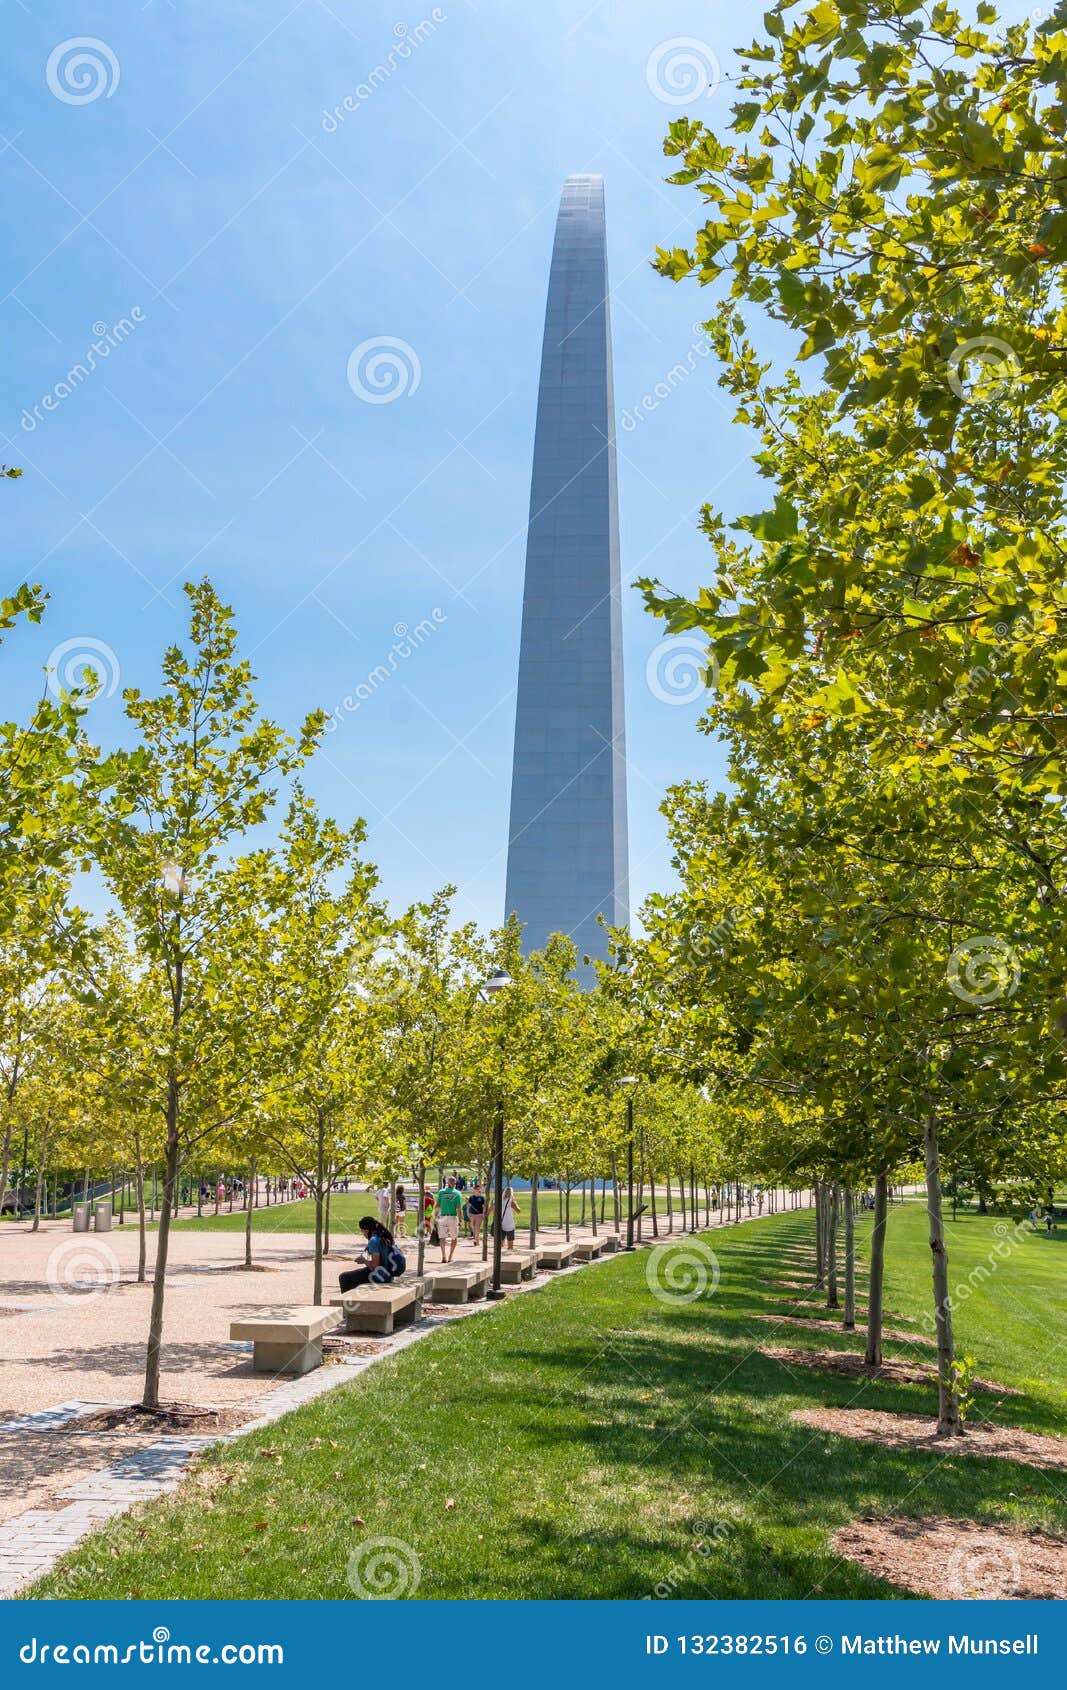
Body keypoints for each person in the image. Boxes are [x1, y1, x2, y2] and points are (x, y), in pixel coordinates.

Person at [339, 1217, 406, 1292]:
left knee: (344, 1277)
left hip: (380, 1276)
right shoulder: (384, 1236)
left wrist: (363, 1261)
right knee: (356, 1276)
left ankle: (345, 1302)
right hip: (389, 1275)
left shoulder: (373, 1240)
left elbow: (375, 1266)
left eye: (362, 1231)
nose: (363, 1234)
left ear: (367, 1230)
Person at [435, 1175, 463, 1262]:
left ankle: (443, 1256)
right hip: (452, 1217)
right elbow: (459, 1208)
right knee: (454, 1238)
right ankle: (450, 1256)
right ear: (455, 1183)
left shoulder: (441, 1192)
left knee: (442, 1237)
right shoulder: (457, 1193)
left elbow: (438, 1205)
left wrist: (435, 1216)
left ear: (447, 1183)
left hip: (443, 1216)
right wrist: (460, 1220)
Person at [499, 1184, 520, 1250]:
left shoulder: (499, 1200)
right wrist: (515, 1201)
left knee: (500, 1244)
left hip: (501, 1224)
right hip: (510, 1224)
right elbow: (518, 1211)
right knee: (510, 1246)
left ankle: (500, 1256)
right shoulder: (511, 1201)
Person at [467, 1180, 486, 1246]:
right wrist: (468, 1213)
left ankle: (477, 1241)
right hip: (472, 1215)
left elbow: (484, 1207)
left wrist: (484, 1214)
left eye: (480, 1189)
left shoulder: (482, 1198)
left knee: (477, 1227)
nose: (479, 1190)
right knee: (473, 1227)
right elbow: (468, 1206)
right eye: (478, 1189)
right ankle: (475, 1238)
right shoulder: (471, 1198)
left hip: (479, 1215)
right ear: (474, 1190)